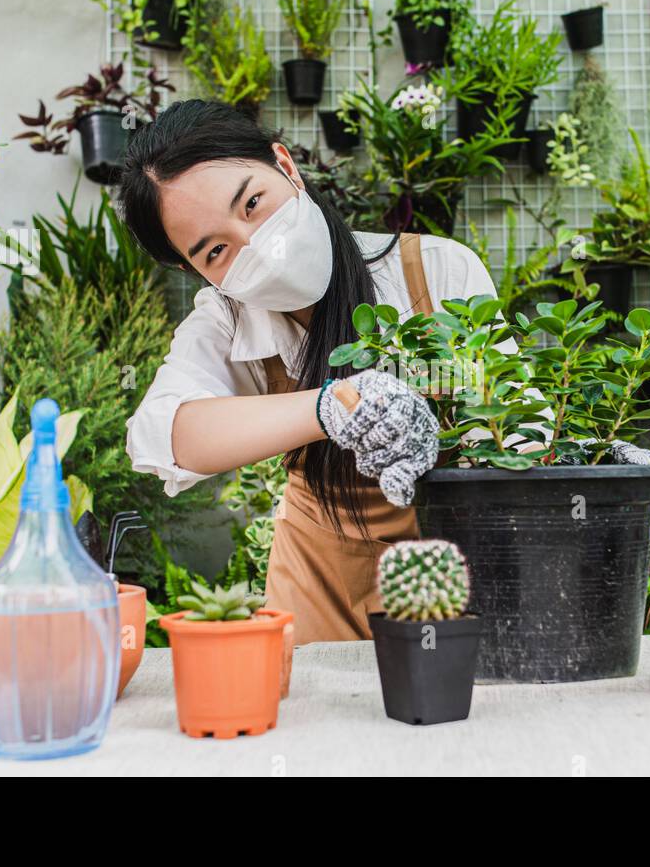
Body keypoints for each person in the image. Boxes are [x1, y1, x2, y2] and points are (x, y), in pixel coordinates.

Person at [117, 99, 500, 645]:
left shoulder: (437, 270)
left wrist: (589, 471)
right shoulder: (228, 320)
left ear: (285, 166)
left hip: (449, 567)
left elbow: (514, 424)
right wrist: (334, 405)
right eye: (217, 250)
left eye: (253, 202)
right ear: (193, 270)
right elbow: (165, 436)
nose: (256, 246)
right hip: (317, 584)